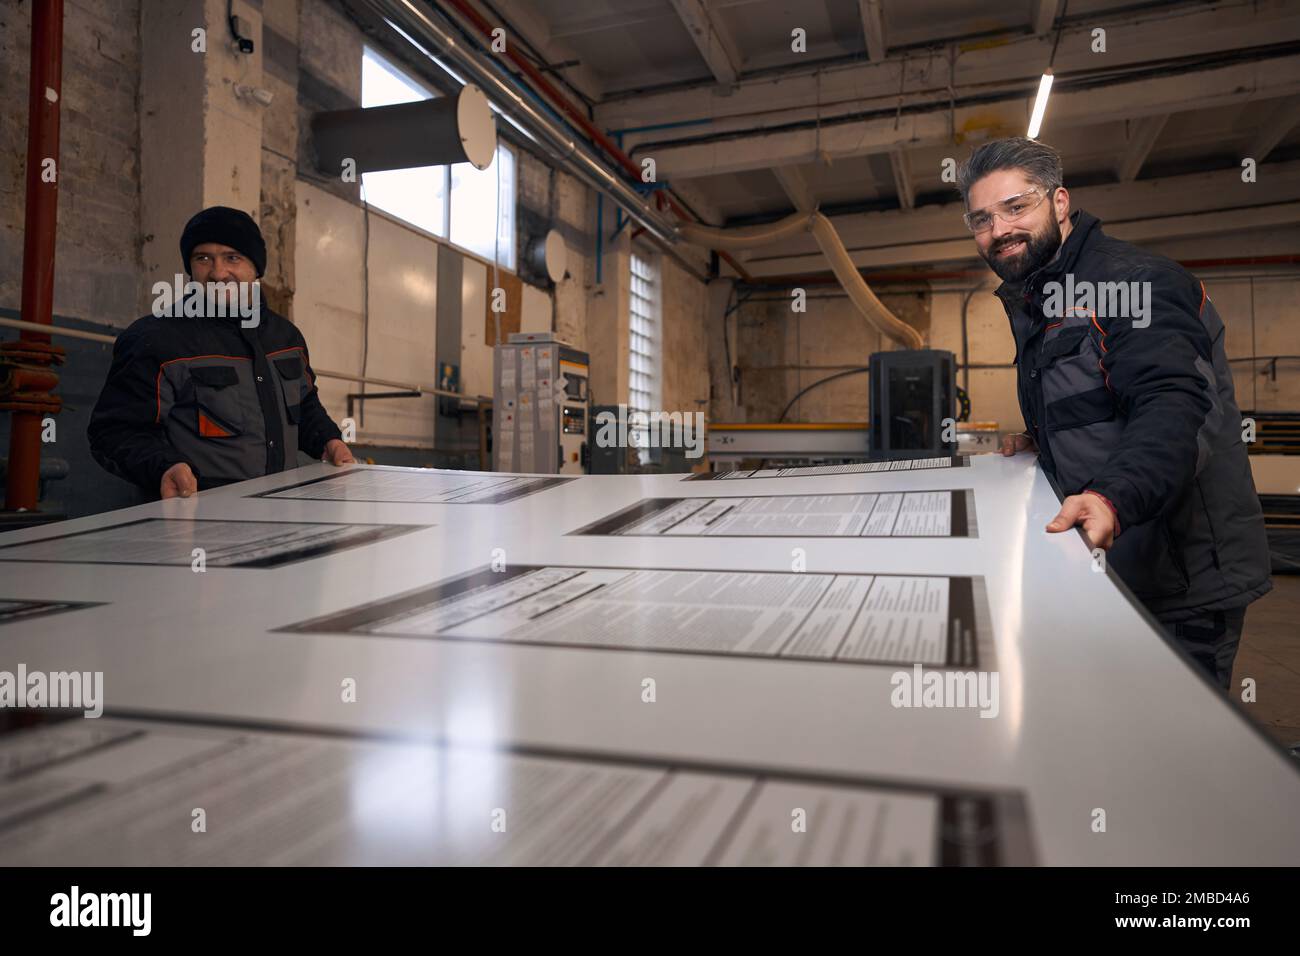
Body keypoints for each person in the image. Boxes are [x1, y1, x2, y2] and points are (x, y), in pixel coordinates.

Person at [957, 137, 1271, 689]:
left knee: (1174, 755)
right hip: (1112, 568)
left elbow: (1175, 408)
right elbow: (1100, 398)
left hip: (1179, 581)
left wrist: (1111, 496)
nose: (998, 229)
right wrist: (1044, 441)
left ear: (1058, 203)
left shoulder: (1133, 283)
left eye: (1015, 207)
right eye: (982, 218)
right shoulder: (1041, 297)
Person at [89, 206, 354, 499]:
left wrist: (327, 439)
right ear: (190, 267)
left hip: (281, 512)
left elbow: (304, 405)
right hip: (198, 523)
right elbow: (114, 431)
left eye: (232, 258)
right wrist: (164, 467)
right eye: (203, 258)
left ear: (256, 268)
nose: (217, 273)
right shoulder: (156, 339)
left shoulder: (286, 337)